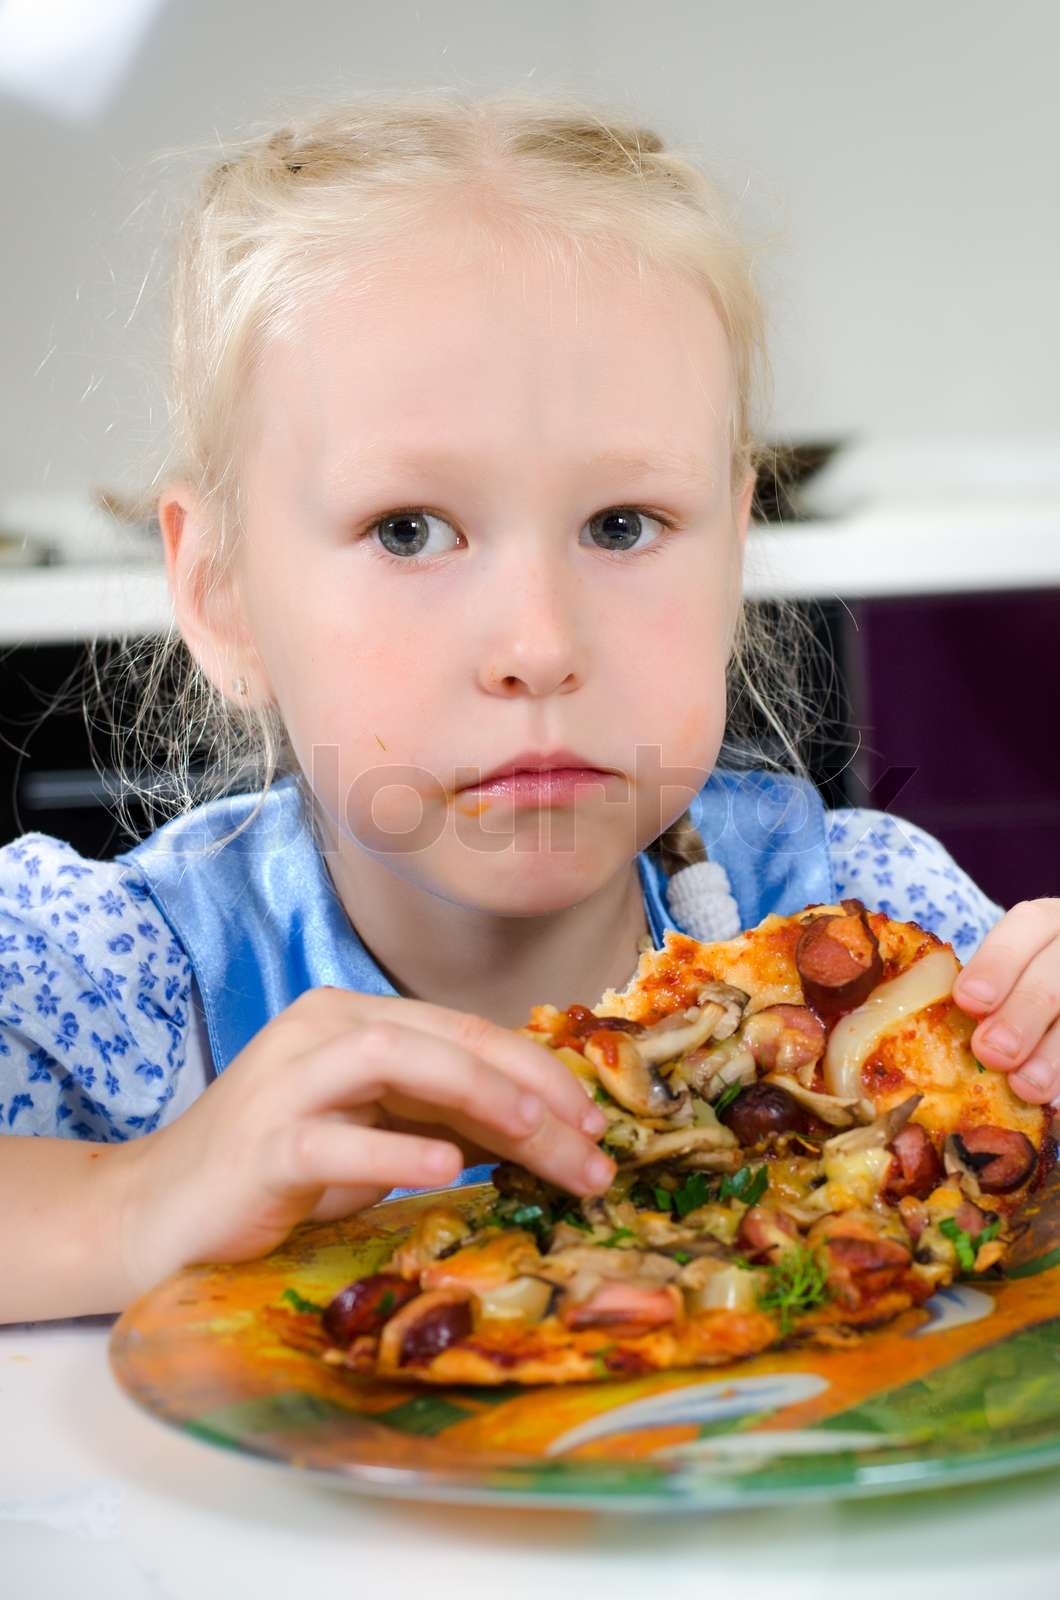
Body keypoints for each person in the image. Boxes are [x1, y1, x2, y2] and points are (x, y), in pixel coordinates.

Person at [1, 89, 1057, 1326]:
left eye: (623, 525)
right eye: (409, 530)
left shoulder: (874, 948)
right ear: (221, 592)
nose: (539, 646)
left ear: (733, 549)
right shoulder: (113, 981)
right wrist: (131, 1199)